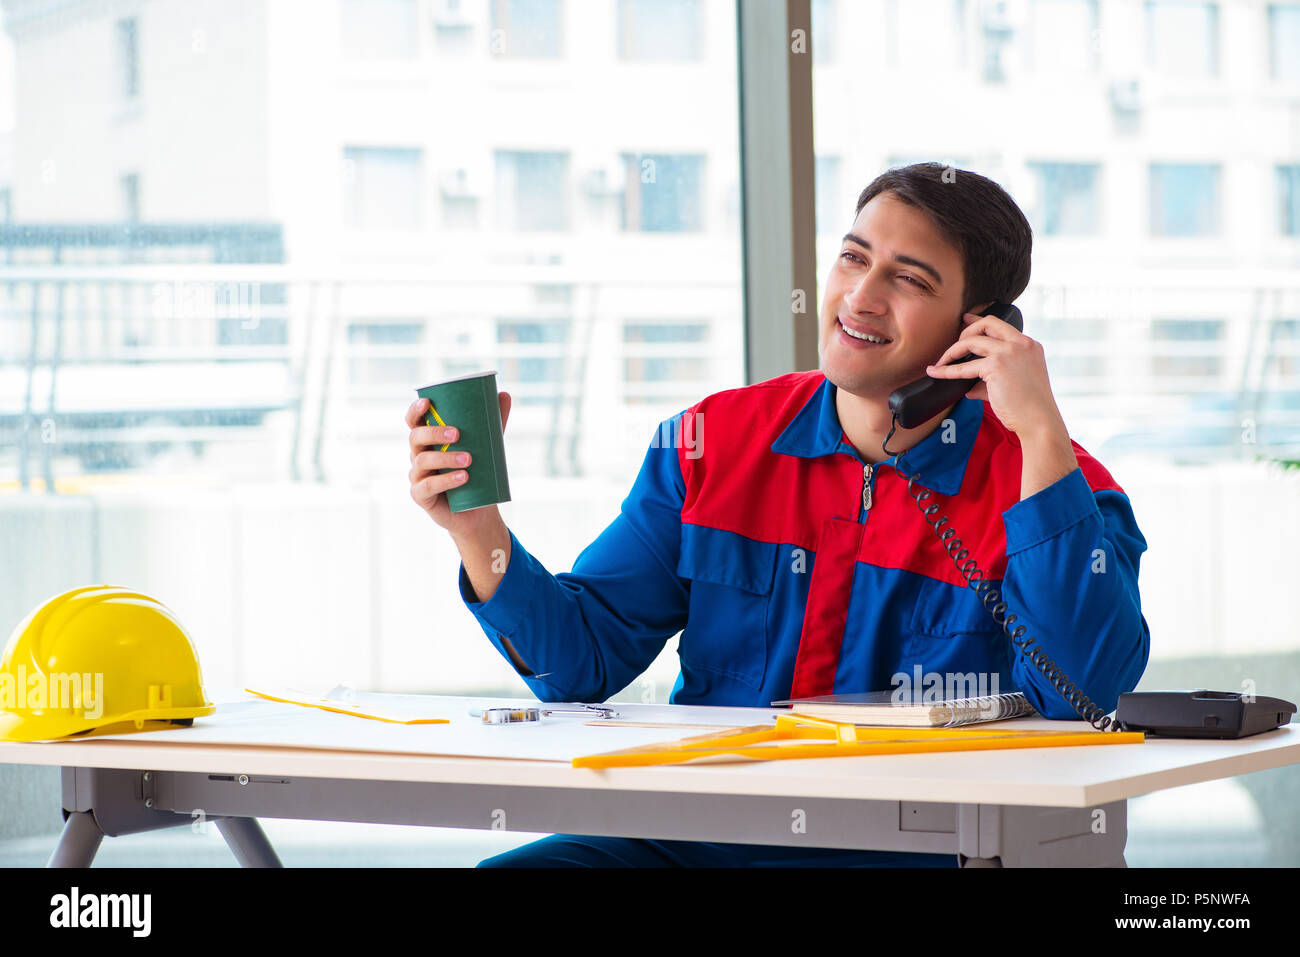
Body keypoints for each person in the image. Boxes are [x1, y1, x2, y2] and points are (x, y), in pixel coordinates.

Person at [404, 162, 1151, 867]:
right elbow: (582, 665)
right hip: (699, 837)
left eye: (908, 279)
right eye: (855, 259)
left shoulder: (1061, 487)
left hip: (915, 853)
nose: (861, 297)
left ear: (979, 328)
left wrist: (1041, 435)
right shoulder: (711, 444)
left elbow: (1081, 697)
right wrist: (478, 531)